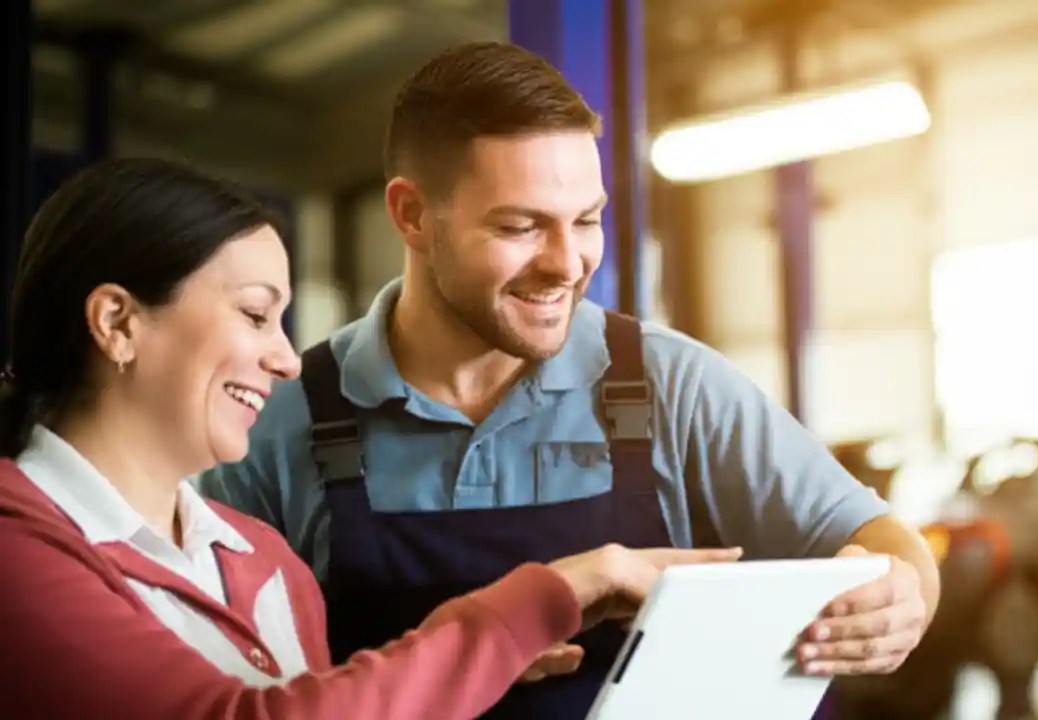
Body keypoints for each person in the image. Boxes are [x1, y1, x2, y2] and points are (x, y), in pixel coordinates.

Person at [202, 40, 942, 718]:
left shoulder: (667, 385)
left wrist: (901, 594)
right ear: (413, 214)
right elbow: (222, 686)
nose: (568, 263)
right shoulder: (281, 422)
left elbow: (876, 538)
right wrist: (448, 660)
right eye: (521, 227)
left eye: (585, 219)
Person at [0, 157, 740, 720]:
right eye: (256, 315)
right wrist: (542, 599)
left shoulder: (268, 563)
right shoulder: (18, 550)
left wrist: (474, 668)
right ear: (117, 323)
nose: (288, 359)